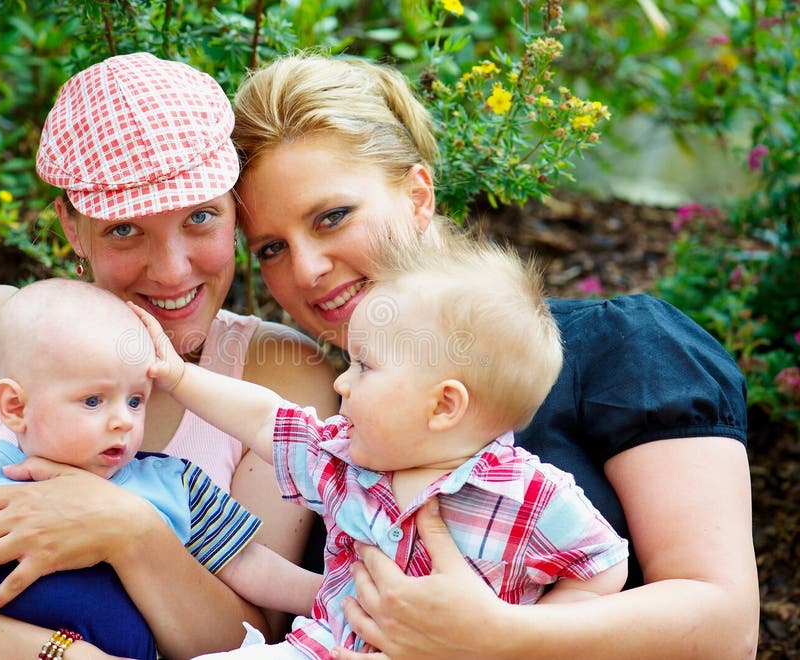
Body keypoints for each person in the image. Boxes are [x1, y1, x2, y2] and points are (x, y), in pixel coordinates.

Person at [230, 52, 759, 658]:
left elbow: (728, 627)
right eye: (271, 248)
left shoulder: (623, 350)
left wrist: (500, 638)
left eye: (332, 217)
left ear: (418, 195)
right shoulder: (318, 412)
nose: (305, 269)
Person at [0, 53, 338, 660]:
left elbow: (251, 640)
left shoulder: (279, 370)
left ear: (235, 208)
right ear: (71, 225)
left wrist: (132, 532)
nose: (172, 270)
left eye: (200, 218)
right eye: (125, 229)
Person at [135, 232, 630, 658]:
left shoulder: (528, 497)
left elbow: (602, 565)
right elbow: (265, 418)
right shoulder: (344, 459)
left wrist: (518, 636)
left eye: (364, 367)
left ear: (443, 406)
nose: (343, 385)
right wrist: (180, 377)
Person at [0, 278, 315, 658]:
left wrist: (336, 591)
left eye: (135, 401)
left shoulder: (174, 485)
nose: (122, 422)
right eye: (93, 401)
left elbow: (254, 570)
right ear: (15, 408)